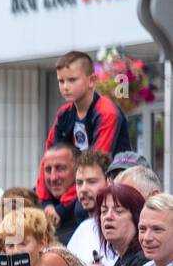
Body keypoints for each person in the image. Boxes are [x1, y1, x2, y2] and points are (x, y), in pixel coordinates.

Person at [36, 50, 133, 211]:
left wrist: (60, 208)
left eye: (72, 80)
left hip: (112, 186)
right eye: (61, 81)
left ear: (91, 80)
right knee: (25, 202)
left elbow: (94, 166)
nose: (65, 87)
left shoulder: (106, 113)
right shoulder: (64, 113)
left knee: (80, 210)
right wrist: (46, 202)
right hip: (82, 186)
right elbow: (48, 158)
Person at [64, 149, 114, 266]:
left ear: (109, 182)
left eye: (91, 182)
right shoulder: (83, 228)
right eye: (79, 183)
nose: (83, 189)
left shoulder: (124, 226)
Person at [38, 142, 82, 244]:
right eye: (48, 170)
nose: (53, 178)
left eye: (60, 168)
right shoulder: (30, 201)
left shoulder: (88, 206)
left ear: (77, 169)